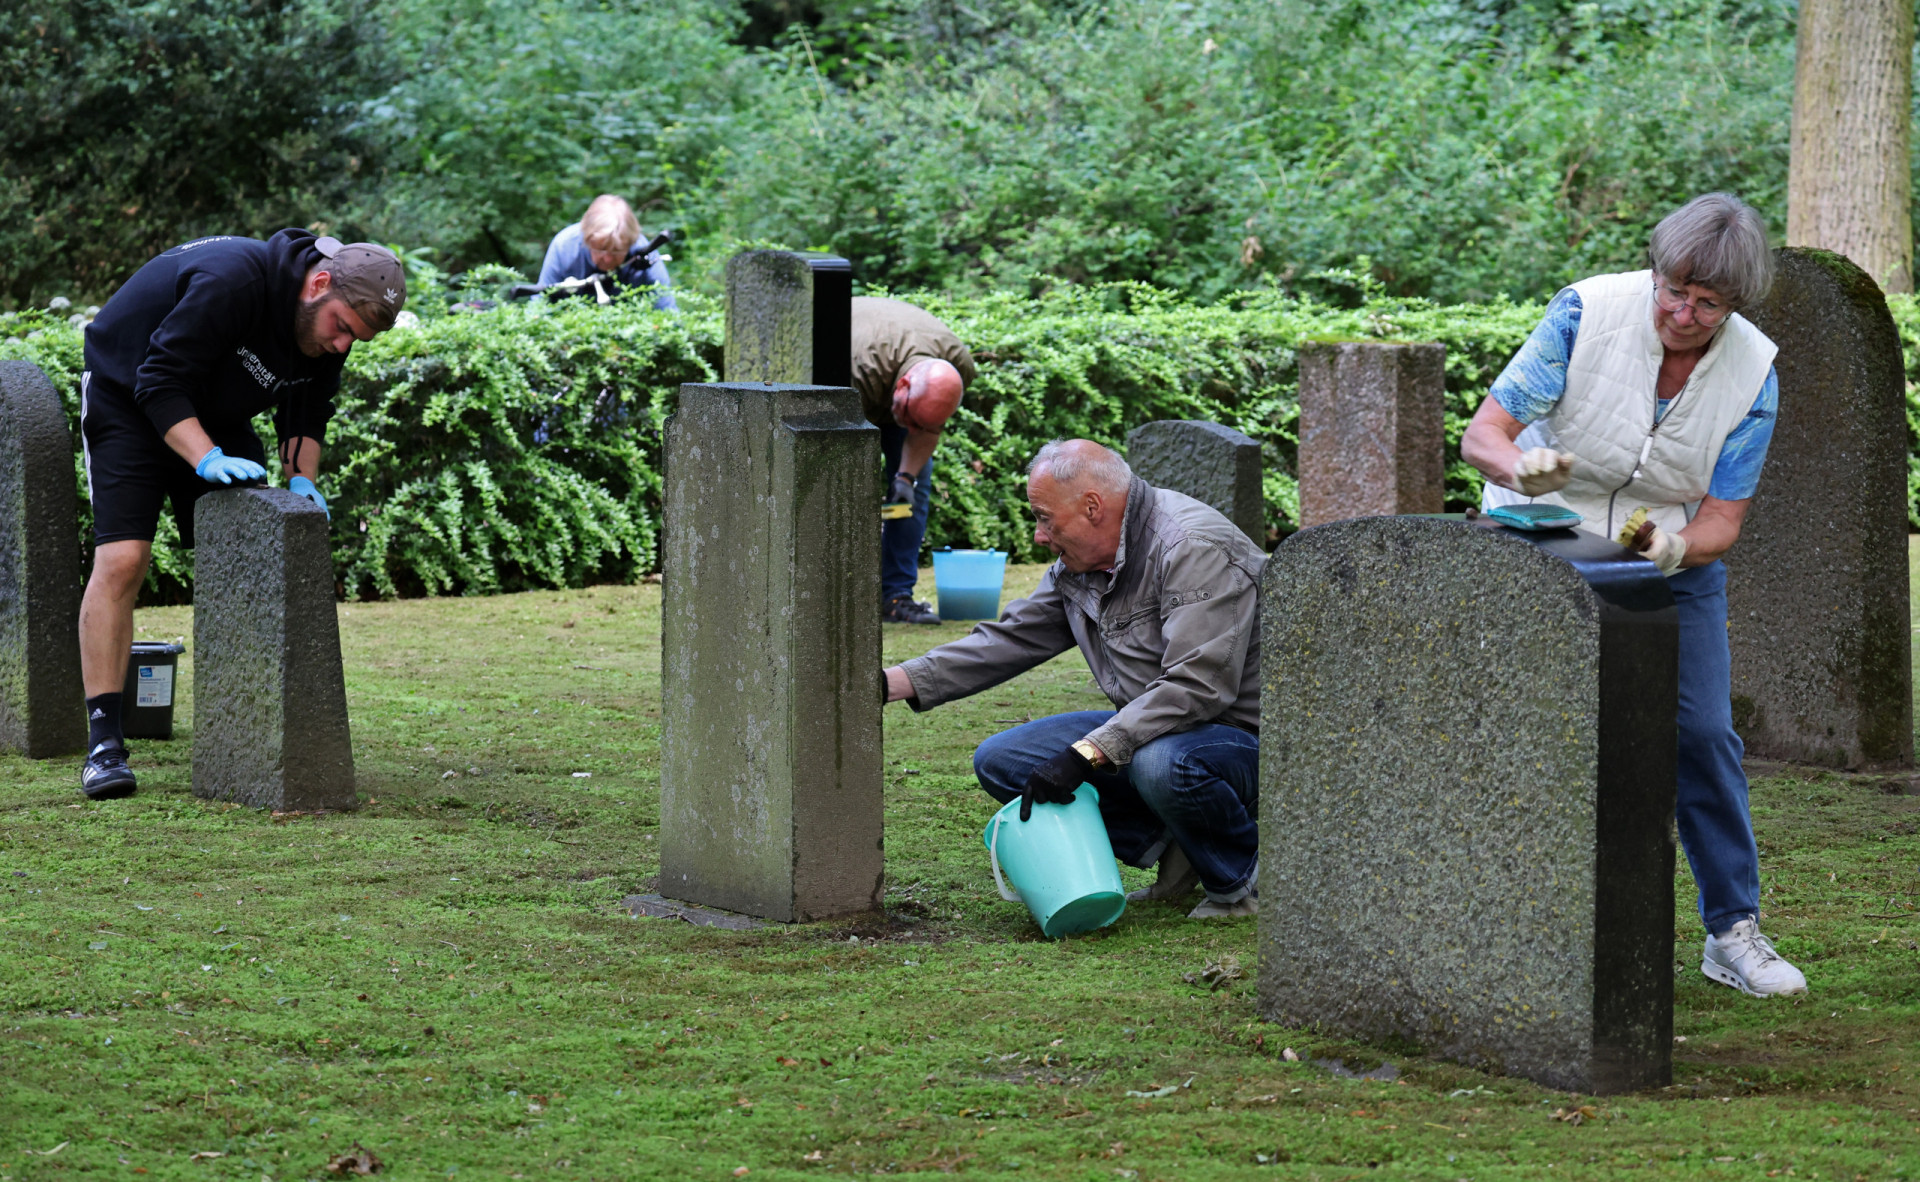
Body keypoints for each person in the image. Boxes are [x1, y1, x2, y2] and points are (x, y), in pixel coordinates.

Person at [1460, 192, 1806, 998]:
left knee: (1704, 735)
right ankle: (1499, 919)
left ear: (1735, 304)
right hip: (1543, 535)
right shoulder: (1586, 311)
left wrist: (1681, 547)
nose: (1681, 313)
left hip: (1663, 556)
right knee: (1531, 729)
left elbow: (1724, 518)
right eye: (1672, 289)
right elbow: (1485, 436)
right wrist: (1521, 469)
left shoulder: (1755, 373)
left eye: (1706, 302)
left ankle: (1732, 933)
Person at [76, 231, 407, 800]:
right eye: (344, 328)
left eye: (359, 338)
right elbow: (158, 379)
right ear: (319, 284)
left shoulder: (325, 327)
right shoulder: (234, 280)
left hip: (216, 411)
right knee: (125, 558)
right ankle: (104, 744)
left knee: (254, 546)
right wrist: (203, 457)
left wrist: (302, 479)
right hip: (128, 393)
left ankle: (247, 730)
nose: (344, 346)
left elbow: (308, 409)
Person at [883, 440, 1265, 918]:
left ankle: (1241, 880)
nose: (1040, 536)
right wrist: (890, 683)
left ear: (1092, 507)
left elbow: (1197, 686)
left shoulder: (1191, 546)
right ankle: (1182, 845)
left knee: (1161, 764)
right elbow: (1010, 639)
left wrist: (1090, 751)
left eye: (1045, 517)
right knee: (1004, 760)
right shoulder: (1082, 565)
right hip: (1160, 729)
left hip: (1245, 741)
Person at [850, 296, 974, 624]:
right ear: (902, 388)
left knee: (911, 494)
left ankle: (894, 596)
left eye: (920, 425)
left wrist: (904, 478)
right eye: (910, 420)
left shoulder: (957, 366)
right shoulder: (858, 369)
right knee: (845, 495)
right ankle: (839, 590)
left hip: (899, 388)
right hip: (849, 386)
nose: (912, 431)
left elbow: (928, 428)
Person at [537, 195, 676, 310]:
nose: (608, 259)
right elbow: (539, 304)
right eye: (600, 249)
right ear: (586, 239)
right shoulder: (565, 247)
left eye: (617, 251)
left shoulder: (644, 253)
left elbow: (666, 310)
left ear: (630, 243)